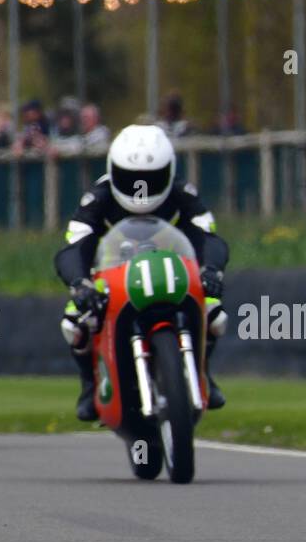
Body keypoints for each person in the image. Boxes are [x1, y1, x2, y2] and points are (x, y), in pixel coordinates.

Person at [54, 124, 229, 421]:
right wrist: (80, 284)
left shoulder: (182, 194)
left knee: (214, 313)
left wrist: (211, 269)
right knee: (74, 322)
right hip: (111, 280)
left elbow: (208, 237)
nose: (140, 188)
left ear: (168, 171)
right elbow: (74, 246)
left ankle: (202, 373)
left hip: (174, 277)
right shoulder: (97, 199)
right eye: (131, 178)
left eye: (150, 179)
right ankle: (89, 385)